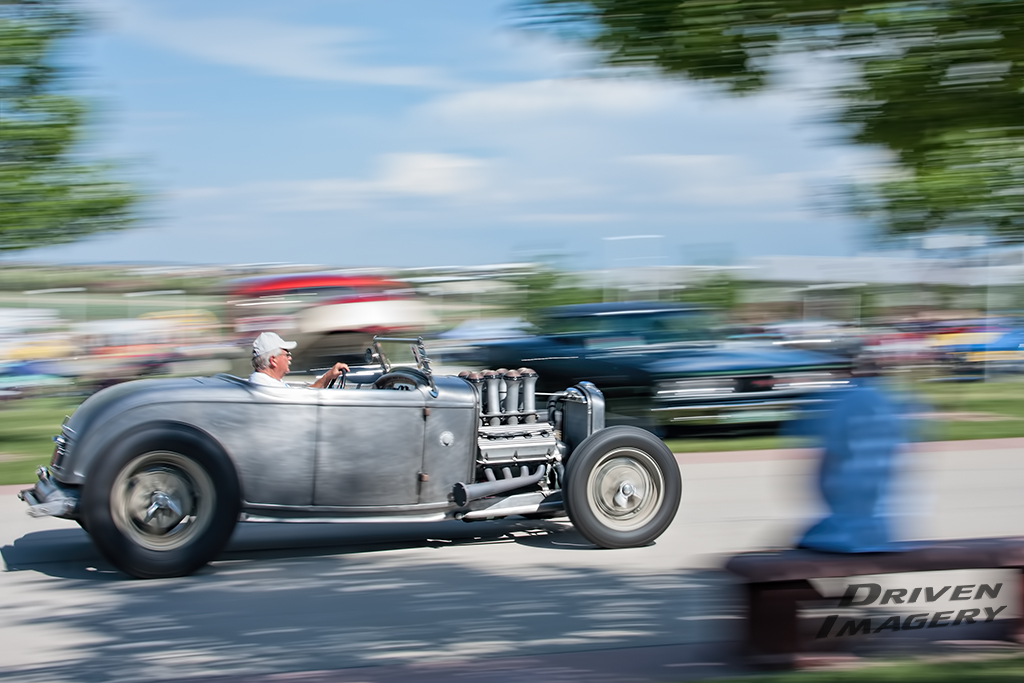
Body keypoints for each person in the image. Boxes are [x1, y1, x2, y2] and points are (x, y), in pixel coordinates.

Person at [249, 331, 348, 388]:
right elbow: (305, 399)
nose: (290, 357)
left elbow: (302, 397)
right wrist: (327, 376)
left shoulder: (266, 381)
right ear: (273, 360)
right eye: (287, 354)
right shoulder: (266, 387)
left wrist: (328, 376)